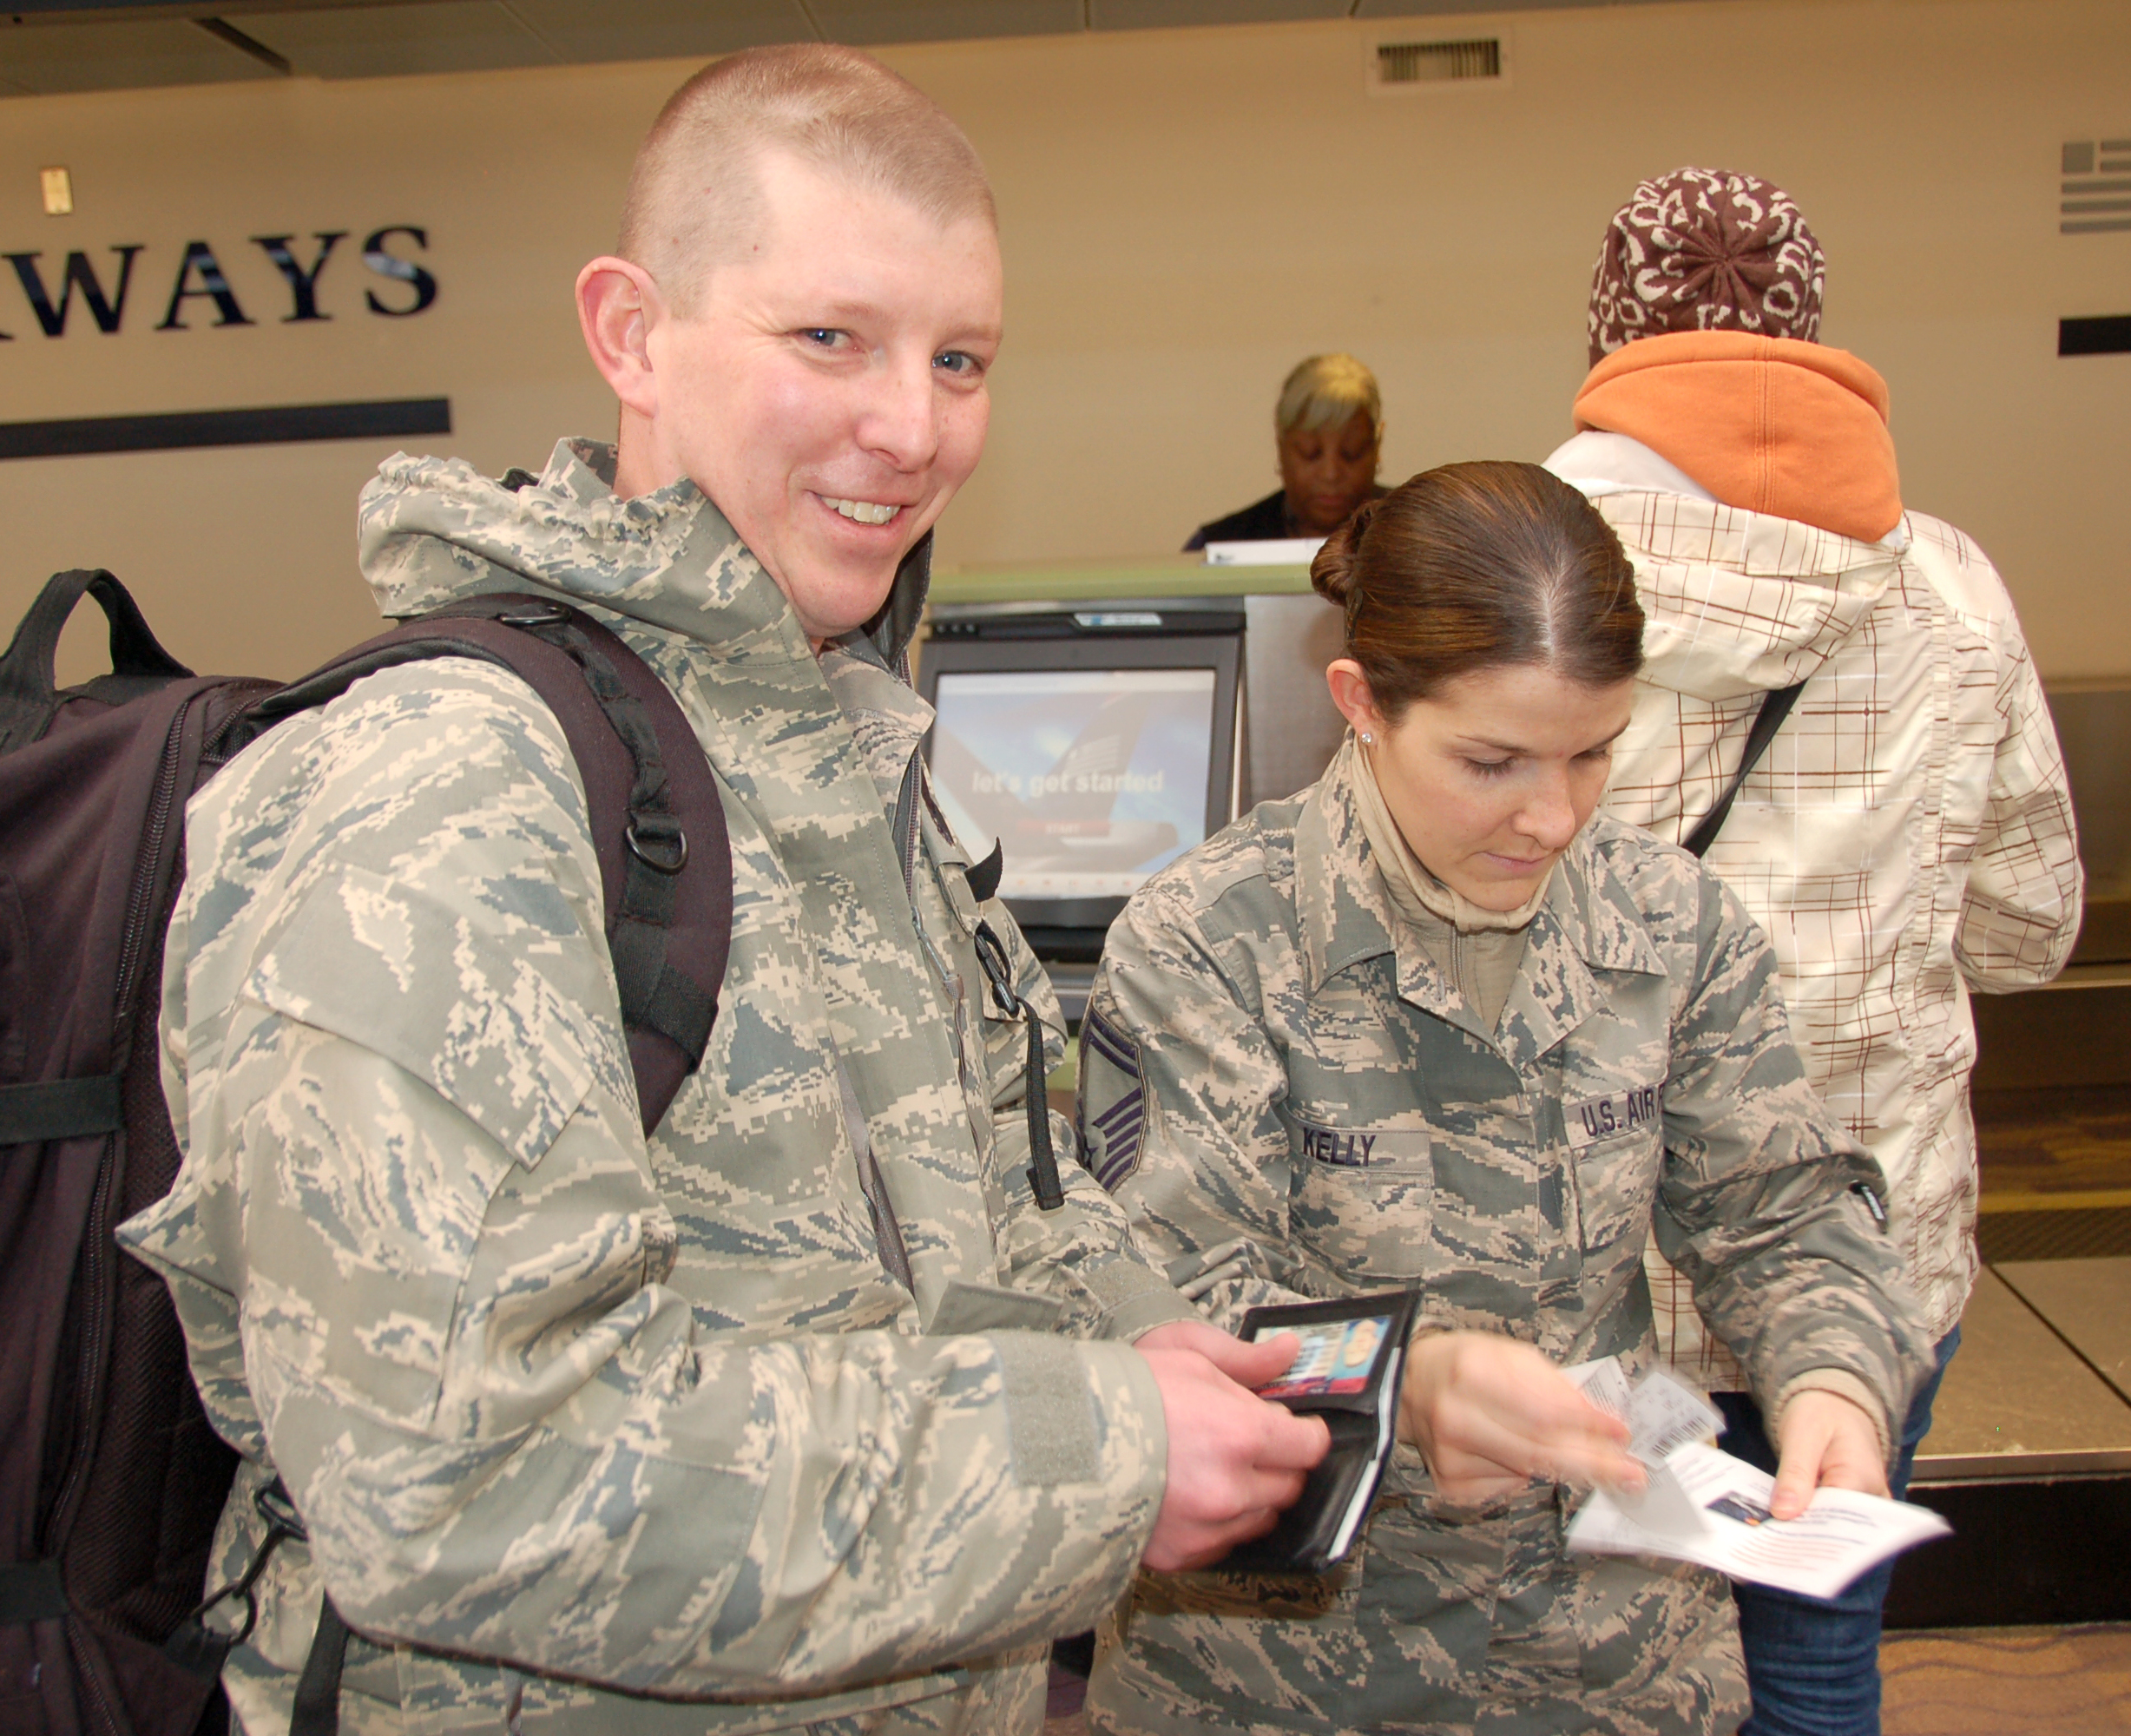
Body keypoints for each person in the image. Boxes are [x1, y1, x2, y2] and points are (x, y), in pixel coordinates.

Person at [116, 45, 1329, 1736]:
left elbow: (982, 1230)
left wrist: (1161, 1353)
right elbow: (469, 1471)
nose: (911, 428)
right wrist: (1107, 1449)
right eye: (829, 338)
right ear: (629, 331)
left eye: (960, 356)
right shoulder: (451, 788)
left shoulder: (844, 764)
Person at [1077, 460, 1936, 1736]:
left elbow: (1781, 1212)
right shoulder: (1210, 943)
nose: (1551, 816)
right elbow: (1152, 1296)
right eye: (1491, 762)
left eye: (1594, 752)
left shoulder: (1668, 925)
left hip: (1608, 1662)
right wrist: (1401, 1382)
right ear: (1361, 704)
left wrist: (1828, 1381)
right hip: (1282, 1671)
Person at [1552, 166, 2083, 1736]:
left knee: (1589, 1664)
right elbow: (2035, 923)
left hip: (1606, 1266)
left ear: (1609, 328)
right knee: (1812, 1660)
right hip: (1868, 1253)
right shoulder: (1951, 588)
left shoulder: (1530, 563)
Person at [1184, 352, 1385, 549]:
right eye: (1310, 453)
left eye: (1352, 453)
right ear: (1281, 446)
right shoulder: (1219, 545)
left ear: (1376, 447)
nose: (1330, 474)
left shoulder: (1413, 533)